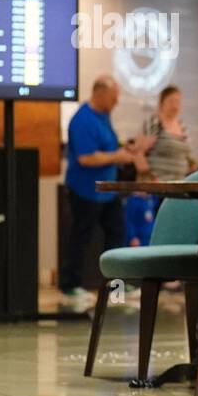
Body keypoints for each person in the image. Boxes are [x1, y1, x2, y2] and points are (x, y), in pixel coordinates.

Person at [61, 76, 149, 306]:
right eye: (113, 98)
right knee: (81, 237)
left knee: (116, 235)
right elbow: (86, 157)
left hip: (108, 190)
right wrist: (117, 156)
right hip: (85, 190)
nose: (116, 102)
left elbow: (107, 146)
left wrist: (126, 149)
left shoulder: (104, 116)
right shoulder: (82, 120)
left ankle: (116, 286)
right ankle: (70, 285)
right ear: (99, 94)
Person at [143, 84, 198, 181]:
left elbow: (187, 155)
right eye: (171, 101)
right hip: (158, 181)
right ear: (162, 103)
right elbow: (140, 152)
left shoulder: (183, 127)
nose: (175, 105)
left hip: (180, 181)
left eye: (177, 101)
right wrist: (149, 176)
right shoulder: (154, 123)